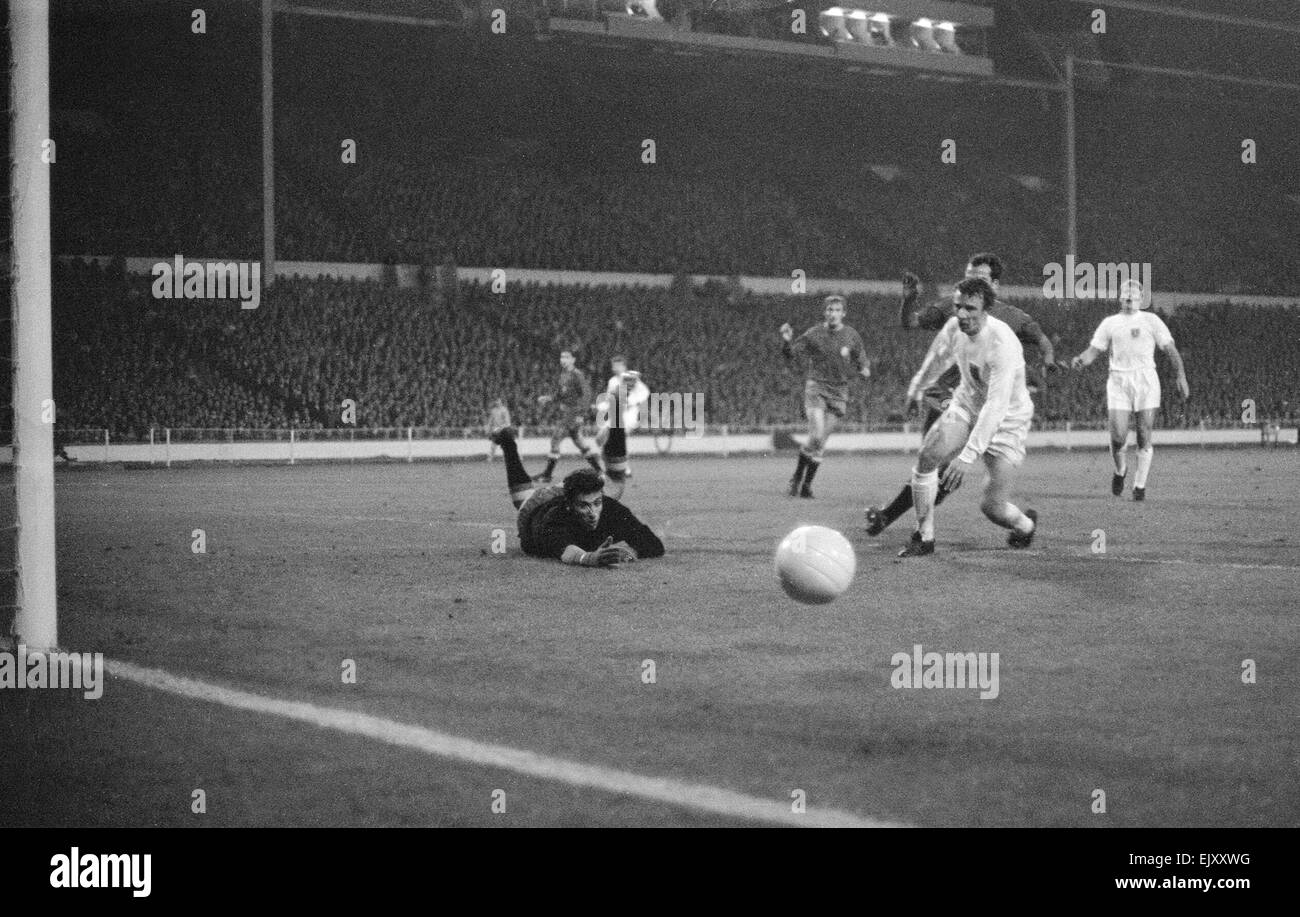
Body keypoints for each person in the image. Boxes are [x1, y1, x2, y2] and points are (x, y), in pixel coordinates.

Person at [866, 253, 1056, 535]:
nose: (964, 311)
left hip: (1000, 409)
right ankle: (909, 525)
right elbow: (917, 330)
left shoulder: (1013, 321)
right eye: (968, 275)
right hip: (953, 396)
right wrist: (908, 301)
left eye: (979, 278)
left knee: (979, 497)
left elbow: (1042, 342)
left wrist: (1049, 360)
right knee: (932, 458)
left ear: (995, 286)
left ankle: (1020, 523)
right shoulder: (953, 307)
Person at [895, 277, 1039, 557]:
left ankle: (1025, 525)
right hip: (968, 403)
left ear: (987, 310)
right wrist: (915, 391)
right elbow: (936, 361)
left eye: (970, 309)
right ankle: (924, 537)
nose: (962, 314)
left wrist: (966, 457)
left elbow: (997, 405)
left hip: (1008, 421)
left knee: (992, 507)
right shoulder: (953, 328)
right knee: (928, 454)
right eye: (958, 306)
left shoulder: (1002, 343)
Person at [1070, 280, 1189, 500]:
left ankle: (1140, 485)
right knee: (1118, 436)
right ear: (1120, 297)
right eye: (1126, 293)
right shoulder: (1110, 323)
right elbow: (1093, 350)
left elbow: (1170, 350)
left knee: (1144, 433)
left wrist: (1180, 375)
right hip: (1118, 381)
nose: (1129, 297)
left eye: (1134, 294)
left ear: (1141, 298)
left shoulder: (1151, 320)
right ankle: (1120, 470)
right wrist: (1081, 360)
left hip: (1146, 380)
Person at [490, 420, 663, 566]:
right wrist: (589, 557)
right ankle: (507, 441)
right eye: (584, 507)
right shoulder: (554, 520)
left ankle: (616, 418)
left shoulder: (611, 509)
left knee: (616, 487)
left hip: (574, 493)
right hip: (536, 506)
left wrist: (629, 552)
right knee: (522, 500)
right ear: (569, 506)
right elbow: (566, 552)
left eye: (597, 504)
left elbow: (654, 545)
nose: (592, 514)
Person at [778, 294, 870, 498]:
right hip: (816, 388)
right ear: (824, 312)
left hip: (839, 393)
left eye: (837, 310)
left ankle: (805, 485)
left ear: (843, 313)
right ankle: (797, 478)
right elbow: (791, 354)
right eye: (830, 310)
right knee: (817, 434)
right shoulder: (814, 334)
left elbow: (861, 357)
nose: (833, 314)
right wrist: (786, 342)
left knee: (819, 443)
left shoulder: (851, 335)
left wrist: (864, 368)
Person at [534, 349, 601, 483]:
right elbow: (560, 394)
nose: (562, 360)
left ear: (573, 360)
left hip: (573, 413)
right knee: (580, 443)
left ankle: (547, 474)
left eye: (566, 357)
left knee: (556, 439)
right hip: (567, 413)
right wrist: (548, 398)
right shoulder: (563, 375)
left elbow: (586, 394)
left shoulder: (577, 375)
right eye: (561, 357)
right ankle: (599, 471)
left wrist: (581, 414)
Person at [595, 355, 651, 479]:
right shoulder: (613, 381)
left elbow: (645, 392)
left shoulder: (631, 378)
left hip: (629, 414)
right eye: (613, 365)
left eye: (616, 365)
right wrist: (602, 406)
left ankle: (613, 469)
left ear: (623, 366)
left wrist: (632, 402)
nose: (614, 367)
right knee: (604, 439)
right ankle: (620, 469)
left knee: (613, 439)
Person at [485, 397, 512, 462]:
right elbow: (490, 420)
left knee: (504, 445)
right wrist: (488, 428)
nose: (497, 402)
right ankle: (490, 458)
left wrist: (502, 427)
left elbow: (508, 422)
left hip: (503, 429)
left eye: (498, 401)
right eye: (496, 401)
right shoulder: (493, 410)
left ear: (501, 402)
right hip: (495, 429)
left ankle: (505, 458)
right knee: (493, 444)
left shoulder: (504, 410)